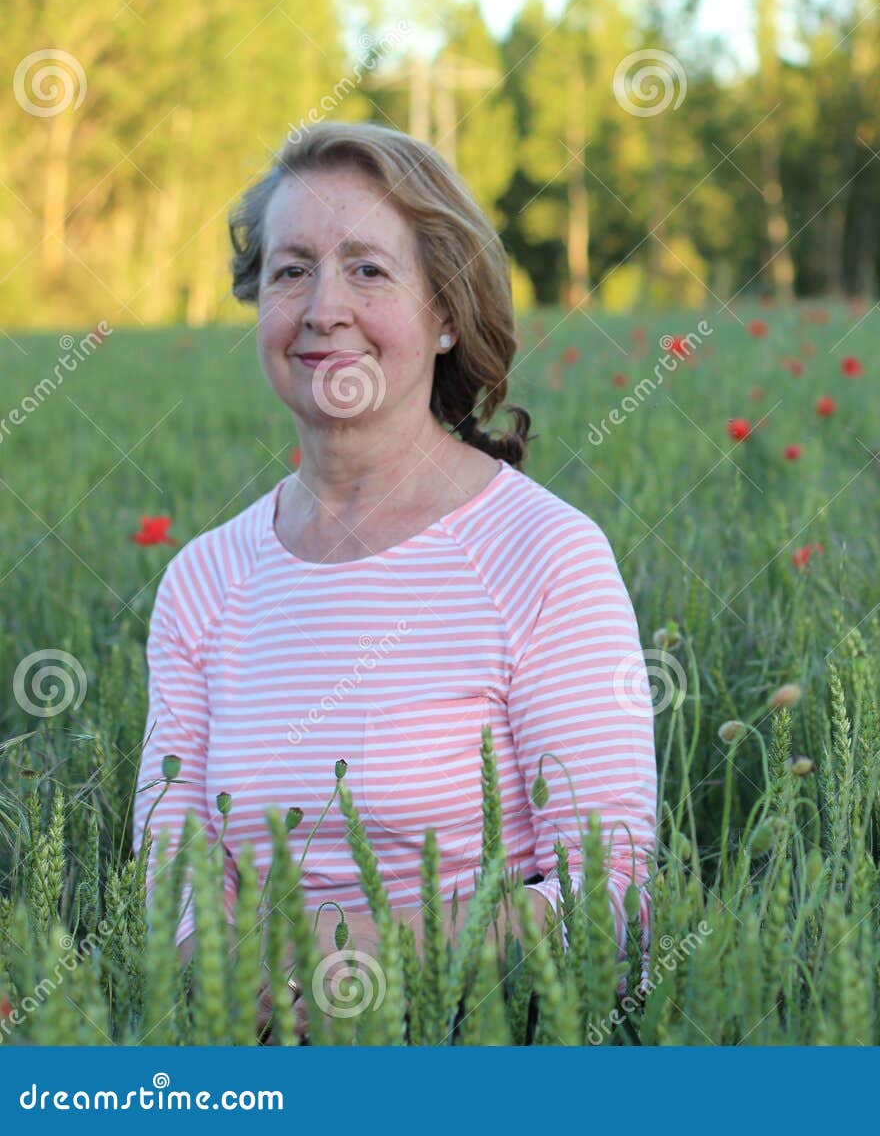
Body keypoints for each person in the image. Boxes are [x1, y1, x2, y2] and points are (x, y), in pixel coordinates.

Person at [130, 121, 658, 1040]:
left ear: (446, 313)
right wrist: (223, 984)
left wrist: (344, 960)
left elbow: (608, 891)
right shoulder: (202, 581)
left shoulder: (546, 556)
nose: (322, 307)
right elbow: (172, 878)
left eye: (368, 269)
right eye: (291, 270)